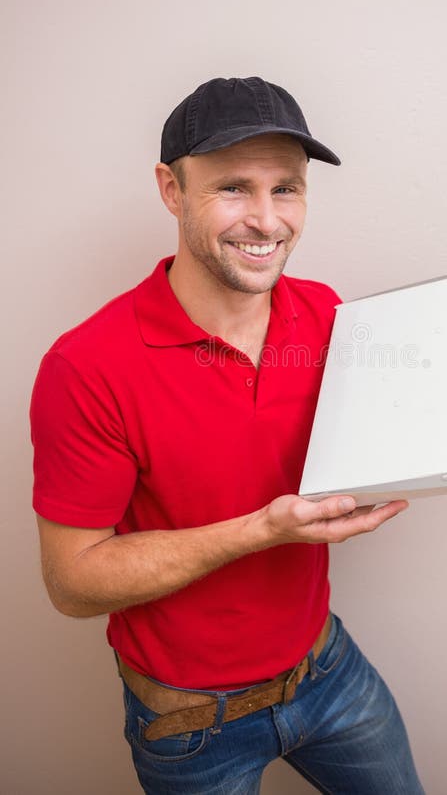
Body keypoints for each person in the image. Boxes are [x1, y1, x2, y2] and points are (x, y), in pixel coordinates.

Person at [30, 76, 426, 795]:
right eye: (234, 188)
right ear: (171, 189)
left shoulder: (327, 314)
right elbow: (73, 582)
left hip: (327, 670)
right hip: (189, 723)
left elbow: (375, 435)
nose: (268, 221)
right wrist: (262, 529)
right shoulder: (85, 367)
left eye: (288, 189)